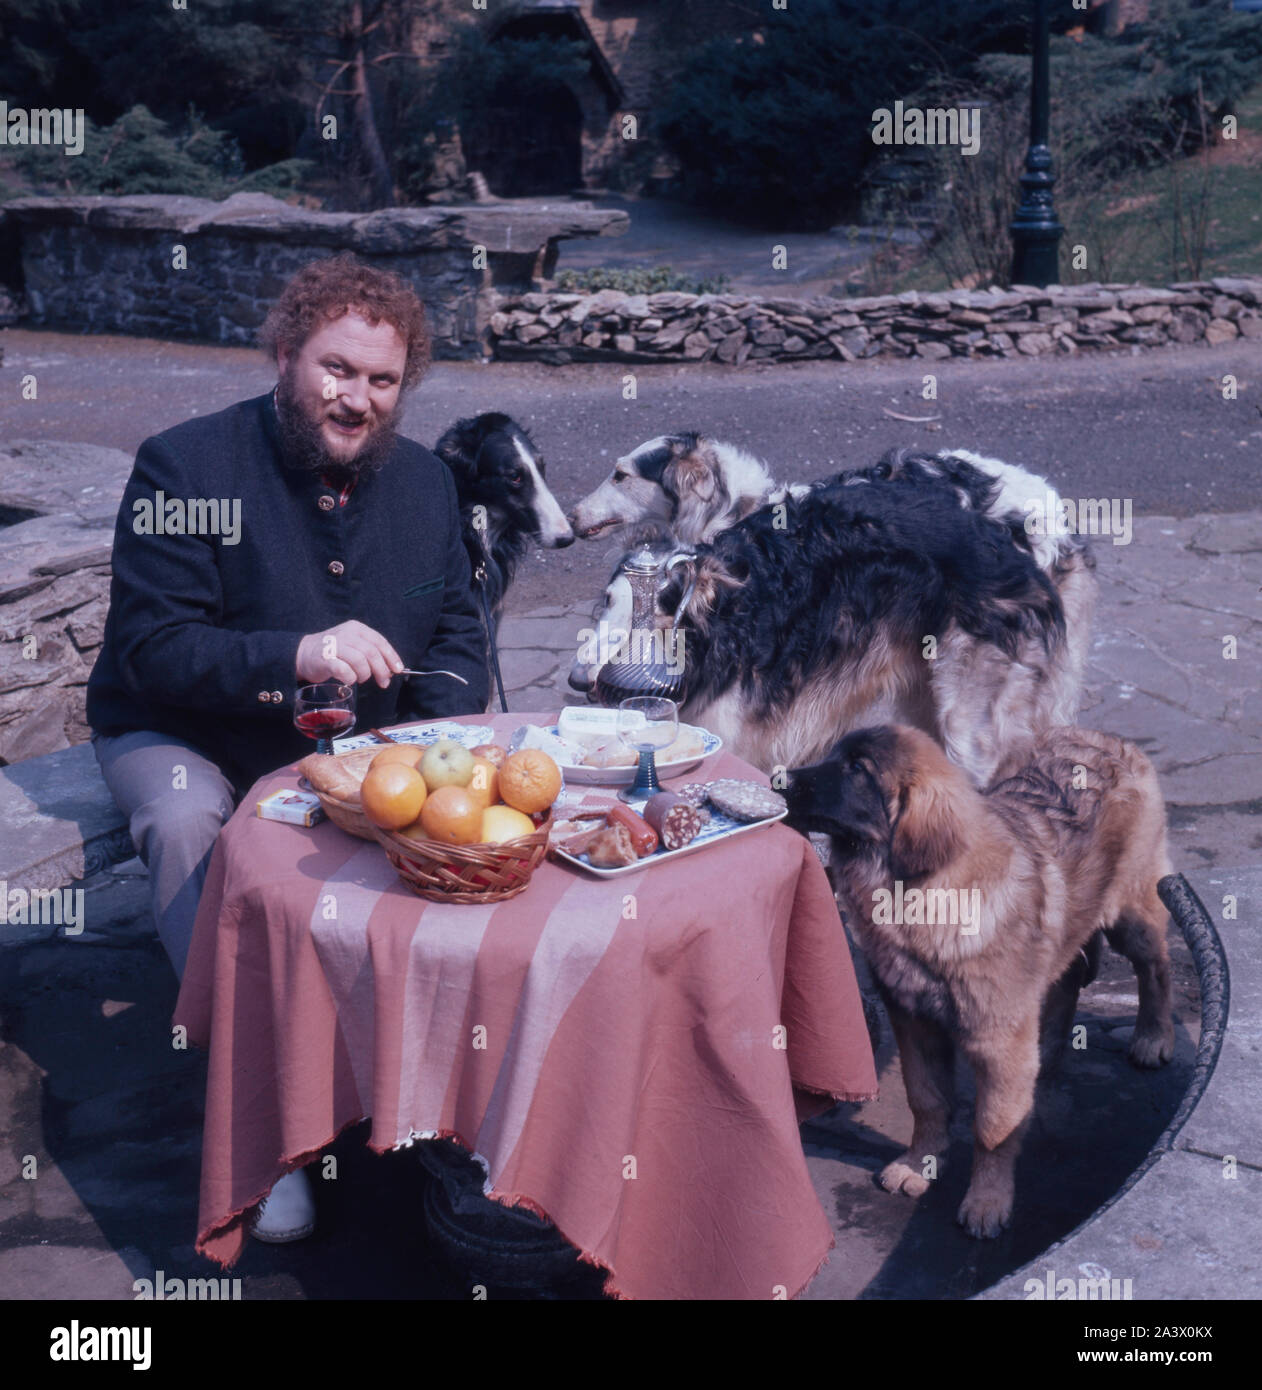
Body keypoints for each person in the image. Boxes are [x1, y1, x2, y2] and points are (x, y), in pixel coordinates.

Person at [87, 253, 490, 1241]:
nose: (357, 399)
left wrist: (433, 732)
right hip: (186, 731)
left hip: (350, 746)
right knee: (188, 821)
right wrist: (297, 653)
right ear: (283, 354)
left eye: (382, 379)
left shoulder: (429, 481)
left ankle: (421, 1089)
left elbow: (456, 636)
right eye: (336, 369)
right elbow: (152, 650)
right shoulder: (185, 467)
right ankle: (264, 1132)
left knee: (450, 819)